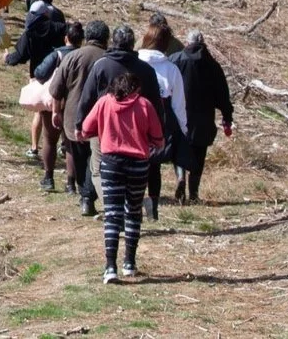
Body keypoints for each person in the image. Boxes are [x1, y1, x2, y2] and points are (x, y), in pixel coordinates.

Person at [80, 66, 166, 282]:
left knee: (112, 214)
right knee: (133, 211)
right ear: (135, 88)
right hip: (138, 164)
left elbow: (85, 130)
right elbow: (158, 138)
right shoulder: (145, 105)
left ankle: (110, 267)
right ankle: (130, 262)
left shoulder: (104, 103)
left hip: (111, 164)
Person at [5, 0, 70, 185]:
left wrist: (8, 58)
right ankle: (64, 145)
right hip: (60, 72)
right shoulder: (59, 24)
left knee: (40, 113)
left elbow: (20, 55)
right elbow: (70, 35)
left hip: (39, 75)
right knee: (63, 110)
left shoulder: (30, 32)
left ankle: (34, 147)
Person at [50, 21, 111, 216]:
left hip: (73, 115)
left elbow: (56, 89)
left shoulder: (73, 56)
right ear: (106, 39)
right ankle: (88, 196)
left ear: (86, 37)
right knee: (95, 159)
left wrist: (55, 111)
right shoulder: (109, 59)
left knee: (80, 156)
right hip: (102, 119)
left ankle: (85, 195)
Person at [171, 31, 236, 203]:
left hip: (180, 114)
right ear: (203, 43)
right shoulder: (213, 65)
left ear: (187, 42)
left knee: (179, 150)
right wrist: (227, 116)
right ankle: (193, 194)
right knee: (199, 154)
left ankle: (180, 178)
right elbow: (223, 94)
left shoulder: (176, 60)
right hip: (204, 118)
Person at [136, 15, 188, 220]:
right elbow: (179, 104)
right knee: (154, 166)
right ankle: (153, 210)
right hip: (160, 119)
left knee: (136, 165)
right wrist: (182, 129)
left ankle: (135, 207)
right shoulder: (171, 68)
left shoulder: (135, 62)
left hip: (134, 119)